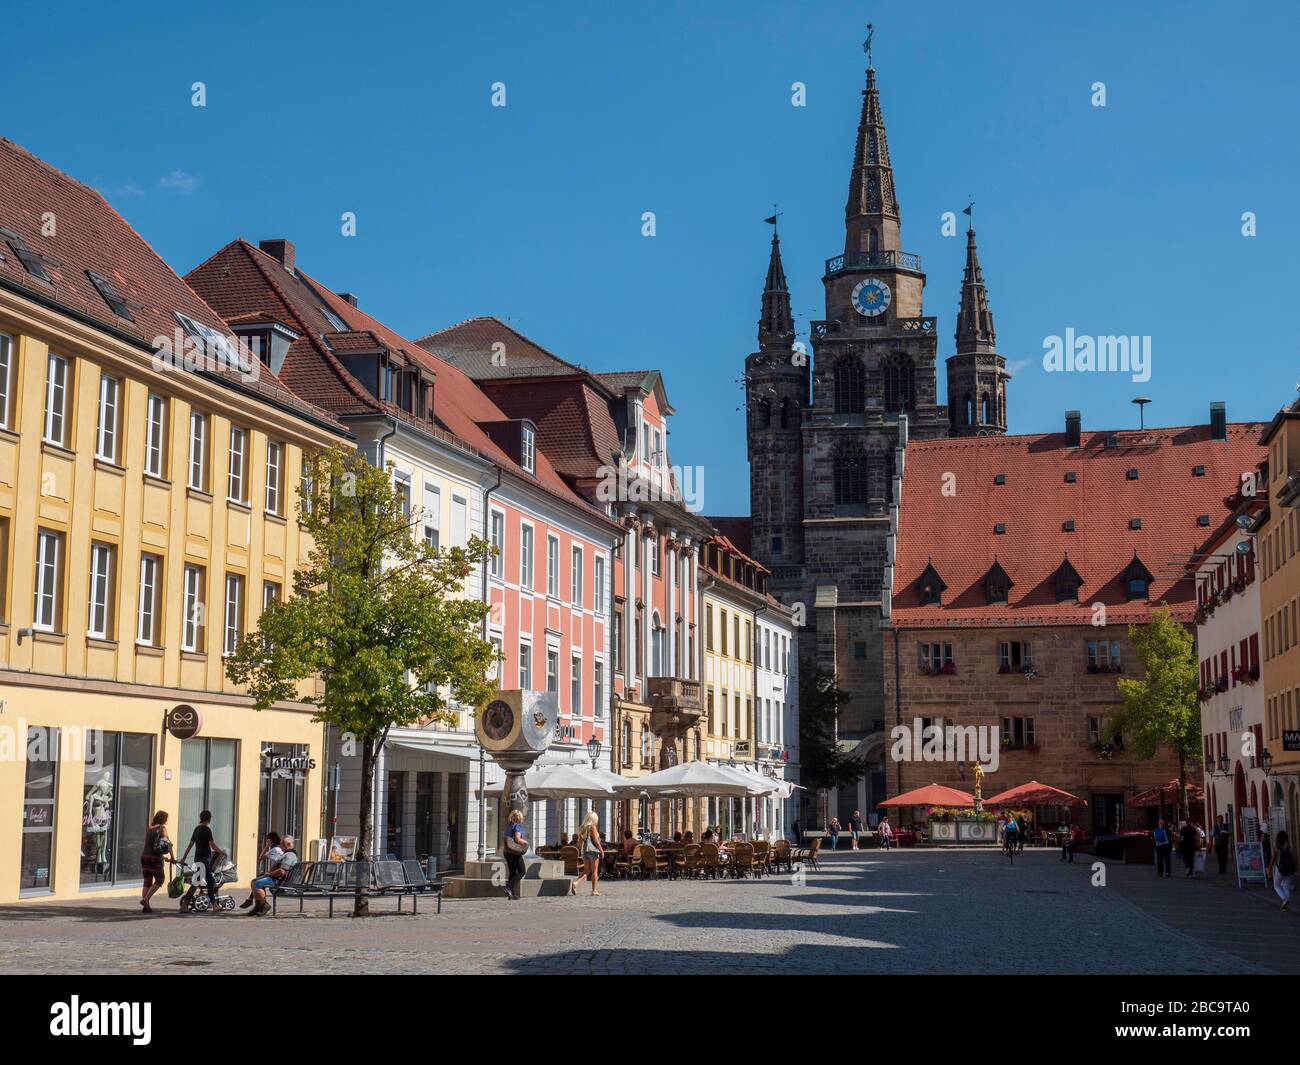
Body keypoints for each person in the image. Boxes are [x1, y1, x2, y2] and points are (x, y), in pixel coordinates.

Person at [180, 809, 224, 912]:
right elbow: (212, 846)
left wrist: (184, 858)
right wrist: (221, 852)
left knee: (200, 881)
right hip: (204, 859)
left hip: (198, 858)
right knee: (208, 881)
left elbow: (190, 845)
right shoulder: (206, 830)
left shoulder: (197, 829)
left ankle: (213, 905)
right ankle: (213, 905)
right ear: (209, 819)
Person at [249, 835, 298, 915]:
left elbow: (282, 871)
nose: (280, 845)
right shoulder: (287, 854)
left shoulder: (290, 855)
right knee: (254, 881)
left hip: (279, 881)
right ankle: (259, 905)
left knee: (256, 883)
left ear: (288, 844)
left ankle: (264, 905)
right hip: (276, 878)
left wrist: (270, 873)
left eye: (282, 843)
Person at [240, 831, 284, 910]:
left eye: (267, 840)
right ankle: (252, 900)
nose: (267, 842)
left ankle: (259, 903)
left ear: (271, 840)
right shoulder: (279, 848)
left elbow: (261, 857)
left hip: (277, 877)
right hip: (278, 875)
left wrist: (267, 846)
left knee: (256, 881)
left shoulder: (274, 849)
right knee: (260, 876)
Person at [139, 810, 171, 913]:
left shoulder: (150, 828)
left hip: (144, 856)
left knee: (147, 880)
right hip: (155, 858)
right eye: (166, 818)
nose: (167, 820)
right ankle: (146, 899)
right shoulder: (162, 829)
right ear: (163, 819)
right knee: (160, 879)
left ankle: (146, 906)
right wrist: (173, 857)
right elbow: (168, 844)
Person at [571, 811, 605, 897]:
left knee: (587, 871)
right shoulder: (592, 827)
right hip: (593, 851)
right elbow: (596, 841)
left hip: (585, 851)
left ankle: (576, 882)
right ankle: (594, 890)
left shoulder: (582, 827)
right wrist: (601, 850)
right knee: (594, 871)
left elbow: (579, 843)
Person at [503, 810, 528, 901]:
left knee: (512, 872)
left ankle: (512, 893)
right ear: (519, 818)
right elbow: (517, 839)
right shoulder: (518, 826)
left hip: (507, 852)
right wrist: (526, 842)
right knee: (522, 871)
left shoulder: (509, 827)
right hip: (514, 852)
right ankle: (509, 887)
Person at [1268, 830, 1295, 910]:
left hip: (1281, 870)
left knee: (1276, 885)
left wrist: (1269, 869)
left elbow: (1272, 859)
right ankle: (1285, 905)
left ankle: (1284, 899)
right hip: (1290, 870)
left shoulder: (1276, 847)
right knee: (1286, 887)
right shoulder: (1289, 847)